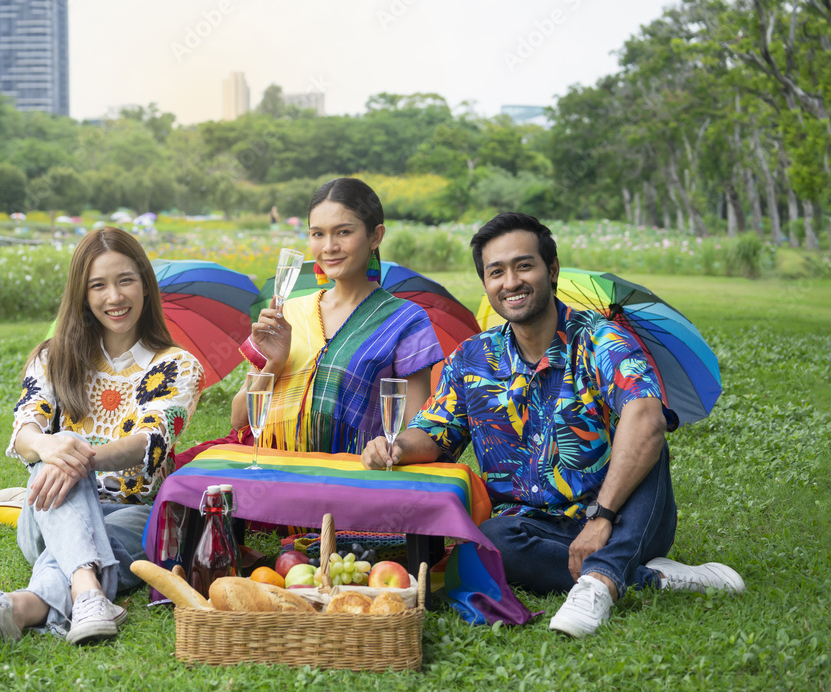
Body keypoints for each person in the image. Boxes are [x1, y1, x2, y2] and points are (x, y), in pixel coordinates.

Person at [361, 212, 744, 638]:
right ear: (486, 285)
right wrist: (396, 447)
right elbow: (433, 433)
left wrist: (602, 519)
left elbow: (644, 416)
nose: (511, 282)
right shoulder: (472, 358)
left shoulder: (601, 338)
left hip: (621, 516)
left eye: (524, 265)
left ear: (552, 269)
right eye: (496, 272)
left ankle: (598, 582)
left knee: (647, 429)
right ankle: (648, 577)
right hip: (531, 527)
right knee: (490, 542)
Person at [0, 227, 203, 645]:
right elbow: (26, 429)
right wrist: (50, 446)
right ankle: (86, 590)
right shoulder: (53, 357)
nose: (114, 297)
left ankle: (18, 608)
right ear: (82, 294)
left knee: (71, 464)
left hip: (135, 512)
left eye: (125, 281)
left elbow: (150, 439)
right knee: (57, 455)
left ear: (146, 286)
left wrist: (85, 457)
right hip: (47, 508)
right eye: (98, 285)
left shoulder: (177, 365)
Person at [233, 177, 443, 455]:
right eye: (317, 234)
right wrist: (273, 362)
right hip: (274, 464)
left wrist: (391, 451)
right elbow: (239, 420)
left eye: (343, 232)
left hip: (351, 474)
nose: (328, 247)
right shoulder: (289, 313)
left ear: (375, 236)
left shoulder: (404, 321)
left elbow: (419, 429)